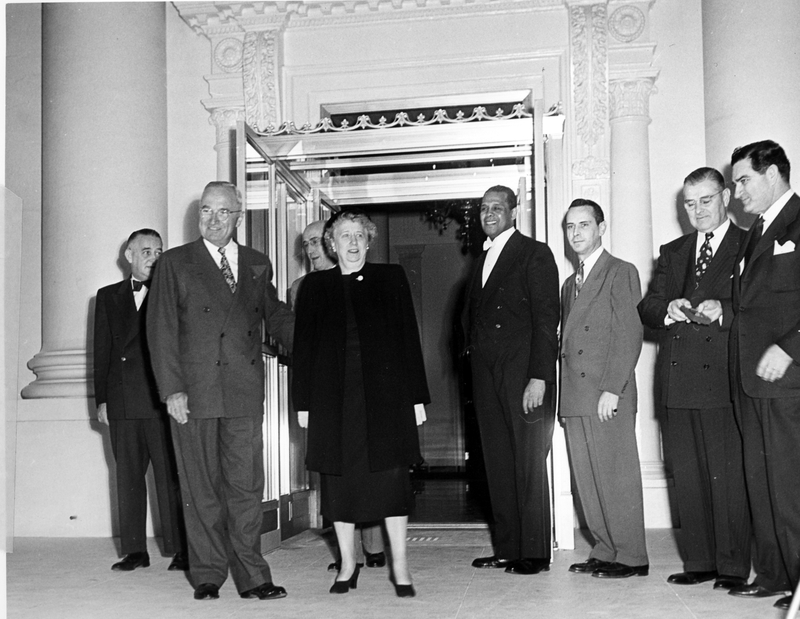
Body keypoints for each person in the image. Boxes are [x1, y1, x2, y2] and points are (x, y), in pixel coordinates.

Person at [147, 181, 294, 602]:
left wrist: (315, 340)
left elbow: (274, 315)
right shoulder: (175, 263)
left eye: (222, 212)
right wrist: (172, 390)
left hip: (243, 391)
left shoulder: (256, 263)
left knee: (246, 488)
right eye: (206, 211)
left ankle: (254, 575)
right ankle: (208, 573)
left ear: (238, 217)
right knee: (201, 489)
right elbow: (161, 331)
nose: (213, 220)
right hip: (193, 393)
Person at [292, 209, 429, 598]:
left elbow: (408, 338)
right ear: (331, 245)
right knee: (339, 484)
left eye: (359, 235)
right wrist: (303, 403)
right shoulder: (315, 286)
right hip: (332, 401)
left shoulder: (391, 277)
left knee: (391, 481)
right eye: (344, 236)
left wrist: (417, 398)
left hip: (386, 398)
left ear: (368, 242)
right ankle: (348, 564)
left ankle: (400, 566)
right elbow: (304, 348)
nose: (352, 242)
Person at [638, 168, 751, 589]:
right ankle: (700, 562)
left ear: (725, 198)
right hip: (678, 378)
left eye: (706, 200)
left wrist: (725, 310)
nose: (698, 210)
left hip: (723, 376)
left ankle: (733, 566)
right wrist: (669, 309)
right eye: (690, 203)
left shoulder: (748, 243)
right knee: (687, 476)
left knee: (728, 477)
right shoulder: (673, 251)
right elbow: (647, 308)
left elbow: (763, 306)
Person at [462, 185, 560, 575]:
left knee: (528, 462)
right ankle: (507, 548)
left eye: (497, 207)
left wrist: (539, 376)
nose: (489, 214)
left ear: (514, 212)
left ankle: (534, 552)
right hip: (487, 374)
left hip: (523, 374)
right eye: (484, 208)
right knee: (497, 461)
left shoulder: (534, 253)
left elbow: (546, 320)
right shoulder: (480, 260)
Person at [728, 140, 800, 611]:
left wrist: (791, 347)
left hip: (786, 379)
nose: (737, 193)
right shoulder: (756, 230)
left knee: (790, 485)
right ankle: (774, 574)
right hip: (750, 379)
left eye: (743, 181)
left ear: (772, 173)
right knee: (762, 482)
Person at [290, 219, 386, 571]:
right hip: (327, 390)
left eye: (316, 241)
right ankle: (350, 553)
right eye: (306, 244)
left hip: (364, 388)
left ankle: (374, 544)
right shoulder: (302, 287)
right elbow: (301, 339)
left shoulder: (365, 279)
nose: (311, 249)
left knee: (368, 463)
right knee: (337, 470)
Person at [560, 199, 648, 579]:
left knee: (616, 476)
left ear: (601, 228)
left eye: (584, 225)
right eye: (570, 227)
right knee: (588, 480)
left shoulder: (619, 271)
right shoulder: (569, 284)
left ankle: (632, 556)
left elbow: (630, 334)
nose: (576, 233)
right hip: (577, 395)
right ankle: (605, 549)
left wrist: (613, 388)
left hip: (606, 393)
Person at [93, 229, 187, 572]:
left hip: (161, 399)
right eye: (146, 251)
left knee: (170, 477)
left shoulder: (172, 293)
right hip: (122, 401)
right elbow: (101, 351)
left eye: (159, 251)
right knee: (128, 478)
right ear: (129, 255)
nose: (154, 257)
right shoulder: (107, 296)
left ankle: (181, 549)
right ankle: (135, 550)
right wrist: (102, 400)